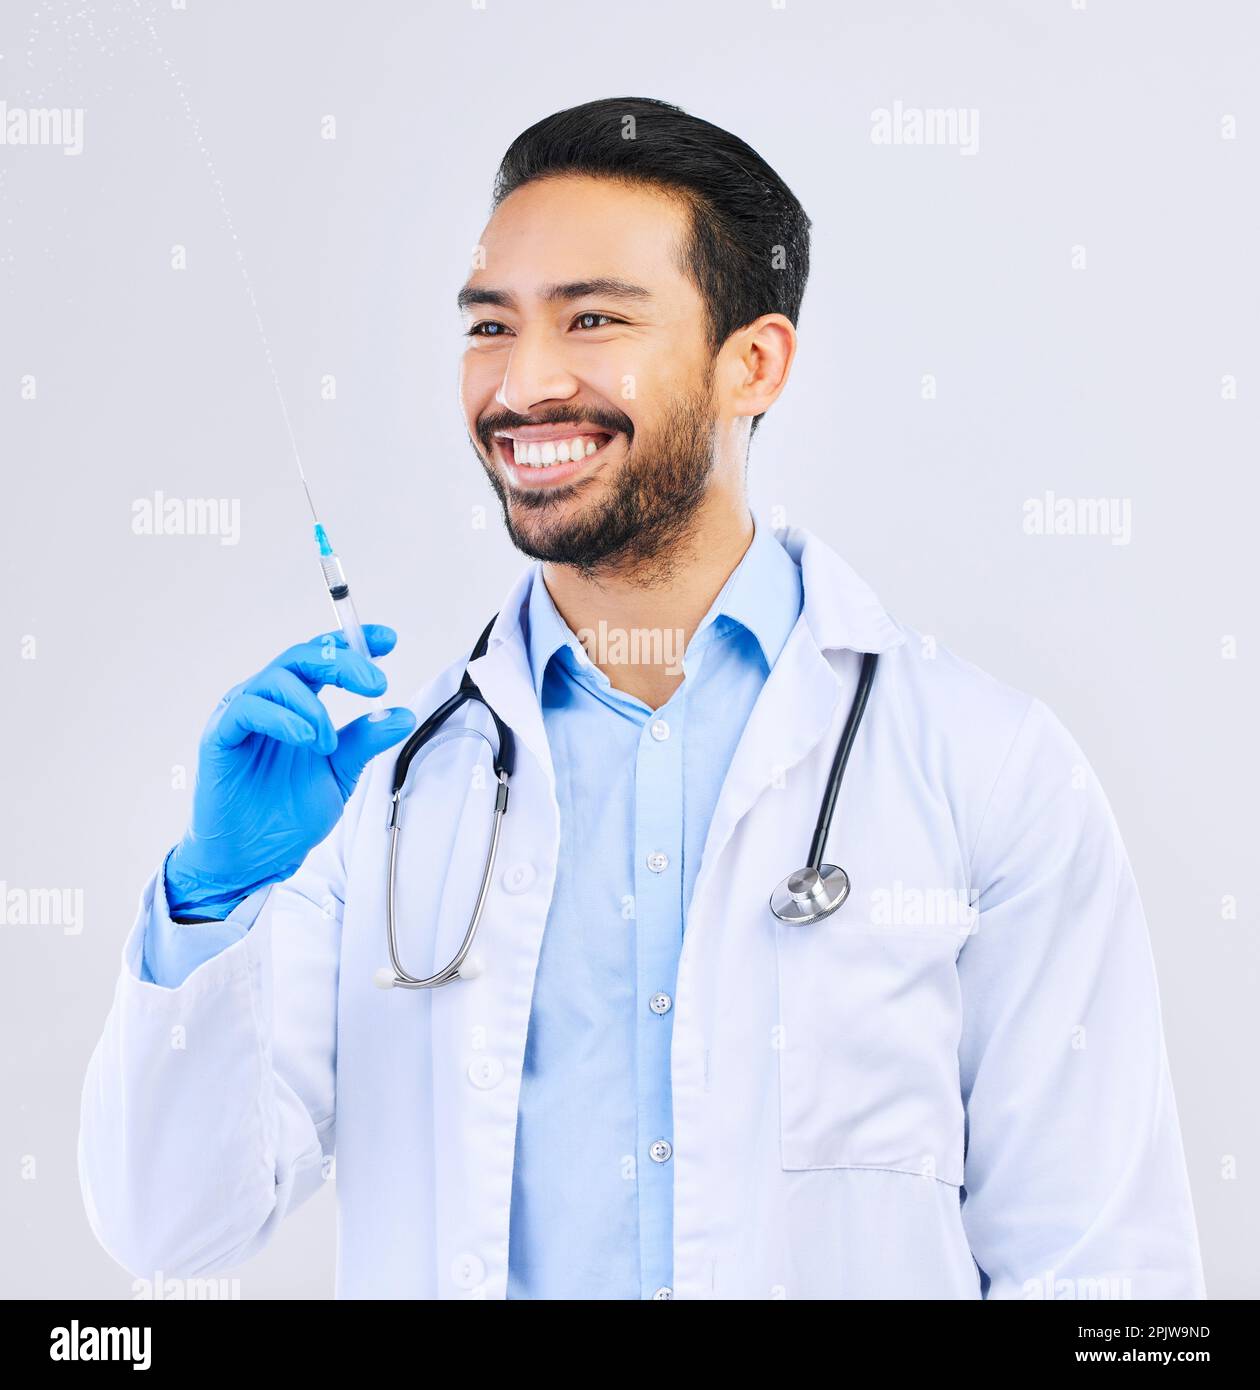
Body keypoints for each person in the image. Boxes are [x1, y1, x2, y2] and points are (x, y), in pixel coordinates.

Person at [79, 96, 1205, 1300]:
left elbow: (1103, 1275)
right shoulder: (379, 790)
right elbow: (169, 1224)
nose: (523, 384)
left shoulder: (989, 767)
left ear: (753, 362)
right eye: (489, 326)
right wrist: (215, 895)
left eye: (595, 319)